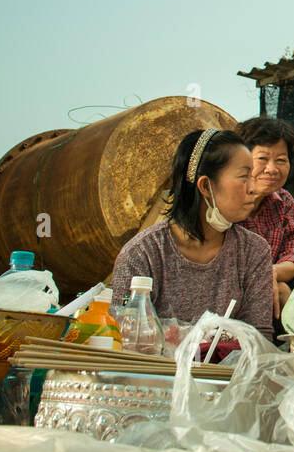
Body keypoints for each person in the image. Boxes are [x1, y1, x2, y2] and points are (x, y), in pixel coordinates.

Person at [110, 128, 273, 335]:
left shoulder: (254, 252)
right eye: (243, 177)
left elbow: (259, 338)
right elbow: (122, 337)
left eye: (252, 176)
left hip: (229, 369)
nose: (253, 188)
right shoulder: (142, 255)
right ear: (205, 186)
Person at [235, 116, 294, 316]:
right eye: (262, 159)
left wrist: (272, 274)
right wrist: (259, 281)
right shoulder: (228, 198)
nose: (272, 169)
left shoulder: (285, 201)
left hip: (275, 285)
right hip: (231, 285)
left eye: (281, 160)